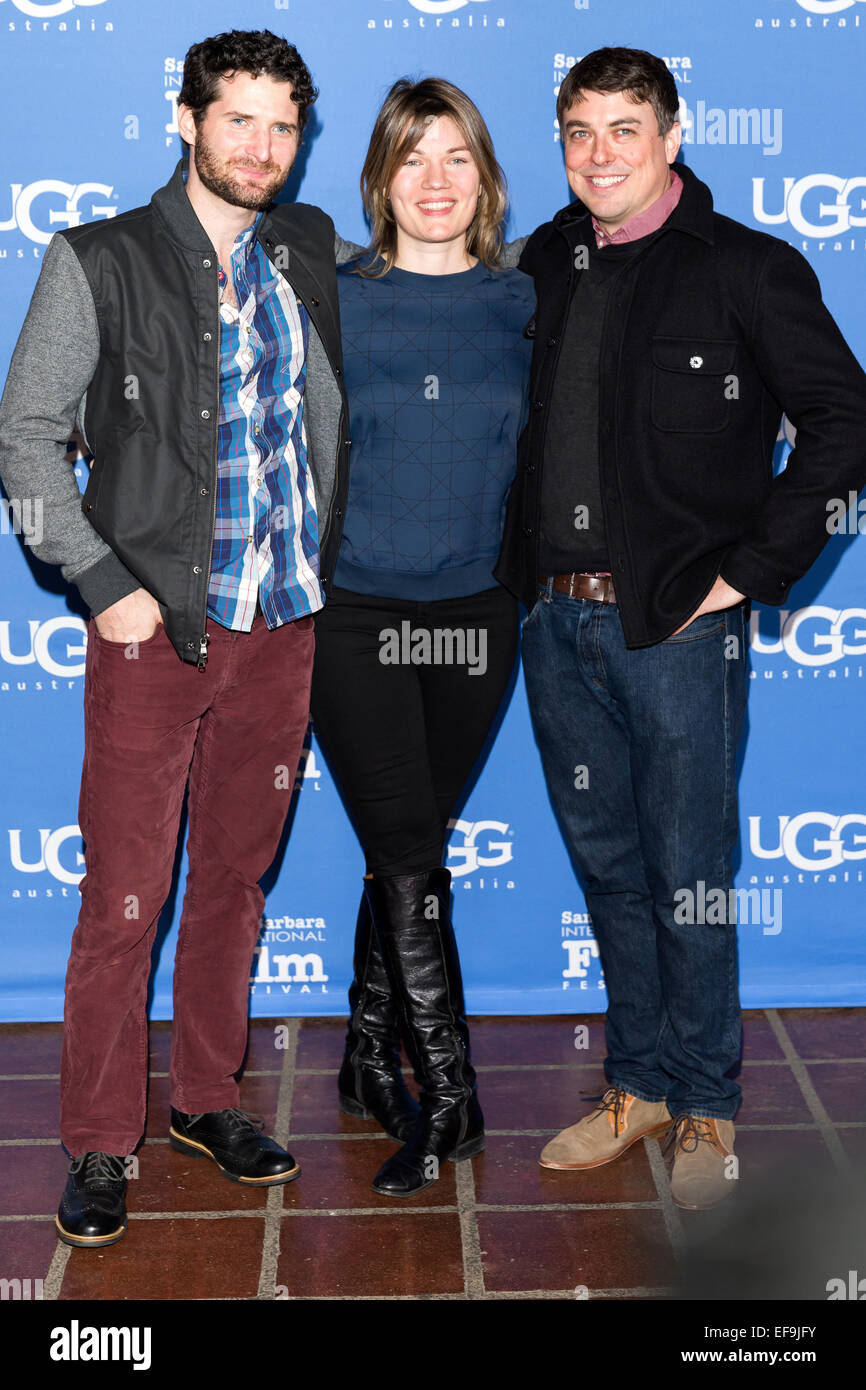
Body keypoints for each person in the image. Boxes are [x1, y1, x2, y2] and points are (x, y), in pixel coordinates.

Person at [494, 46, 866, 1209]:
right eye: (577, 130)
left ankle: (707, 1105)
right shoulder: (541, 263)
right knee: (608, 868)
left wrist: (745, 576)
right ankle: (639, 1082)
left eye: (622, 128)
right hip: (553, 625)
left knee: (690, 878)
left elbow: (843, 424)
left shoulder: (746, 269)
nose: (598, 152)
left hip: (675, 632)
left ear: (670, 134)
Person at [0, 29, 350, 1247]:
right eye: (237, 118)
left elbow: (434, 275)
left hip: (283, 626)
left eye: (282, 125)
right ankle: (101, 1139)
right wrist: (103, 581)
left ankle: (206, 1099)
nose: (259, 146)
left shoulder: (306, 250)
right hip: (153, 636)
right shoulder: (95, 258)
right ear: (187, 119)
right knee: (125, 895)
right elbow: (26, 439)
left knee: (233, 886)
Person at [313, 78, 534, 1197]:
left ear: (485, 178)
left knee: (412, 842)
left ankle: (362, 1053)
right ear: (380, 178)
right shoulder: (334, 297)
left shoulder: (523, 302)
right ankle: (449, 1095)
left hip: (475, 619)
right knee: (407, 850)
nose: (435, 181)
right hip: (352, 612)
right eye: (413, 159)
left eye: (456, 158)